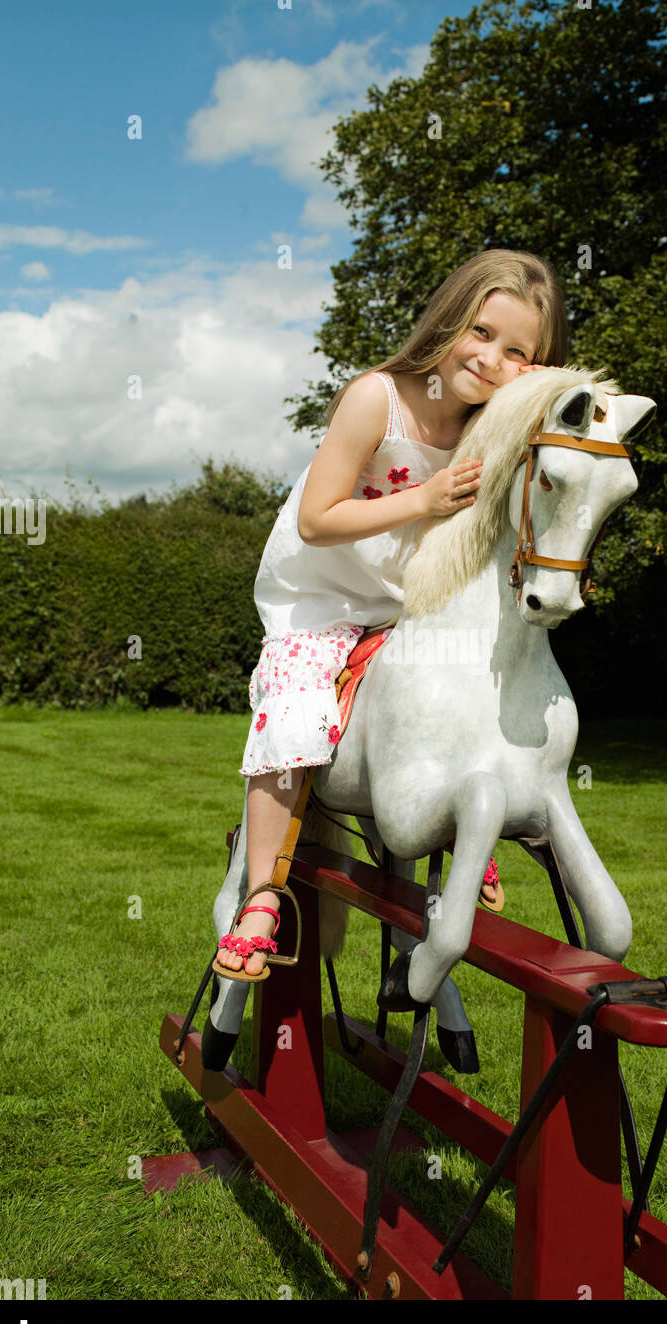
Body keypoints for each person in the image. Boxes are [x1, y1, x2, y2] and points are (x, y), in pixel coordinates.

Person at [216, 249, 570, 975]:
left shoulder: (489, 419)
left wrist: (538, 392)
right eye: (479, 332)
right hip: (321, 591)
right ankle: (260, 897)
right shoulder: (375, 397)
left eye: (515, 353)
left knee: (446, 697)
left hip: (407, 592)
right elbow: (317, 518)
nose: (489, 359)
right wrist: (421, 500)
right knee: (295, 708)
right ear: (447, 319)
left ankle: (453, 827)